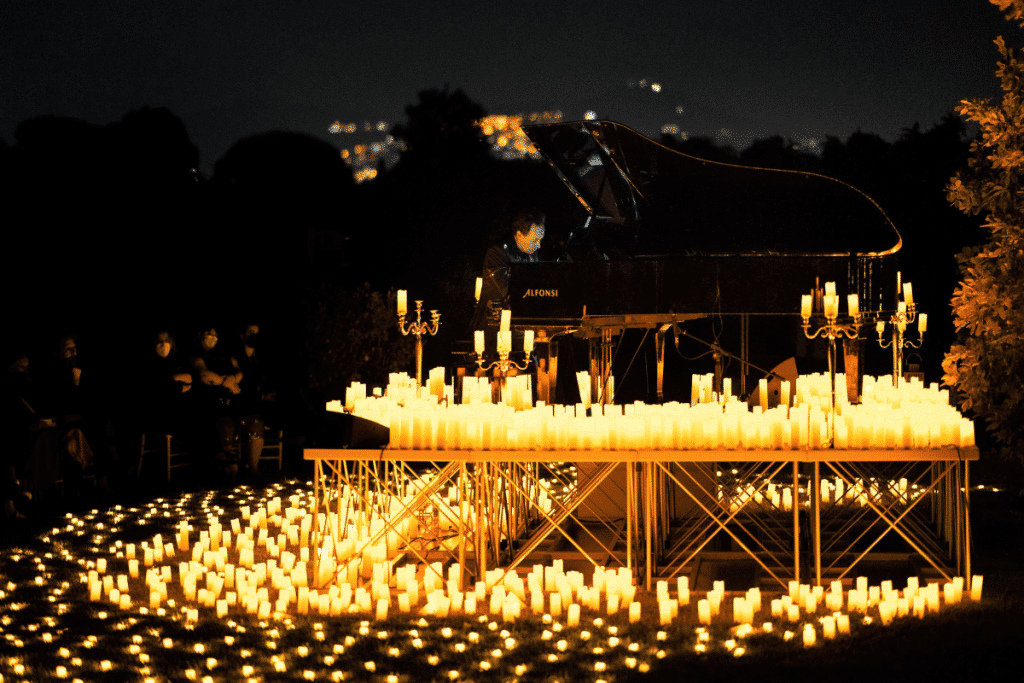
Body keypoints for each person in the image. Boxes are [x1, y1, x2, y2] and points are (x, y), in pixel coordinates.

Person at [469, 208, 546, 333]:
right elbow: (502, 290)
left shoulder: (532, 254)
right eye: (535, 240)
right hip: (494, 328)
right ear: (519, 235)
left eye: (540, 240)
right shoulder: (497, 253)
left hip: (519, 325)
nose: (539, 245)